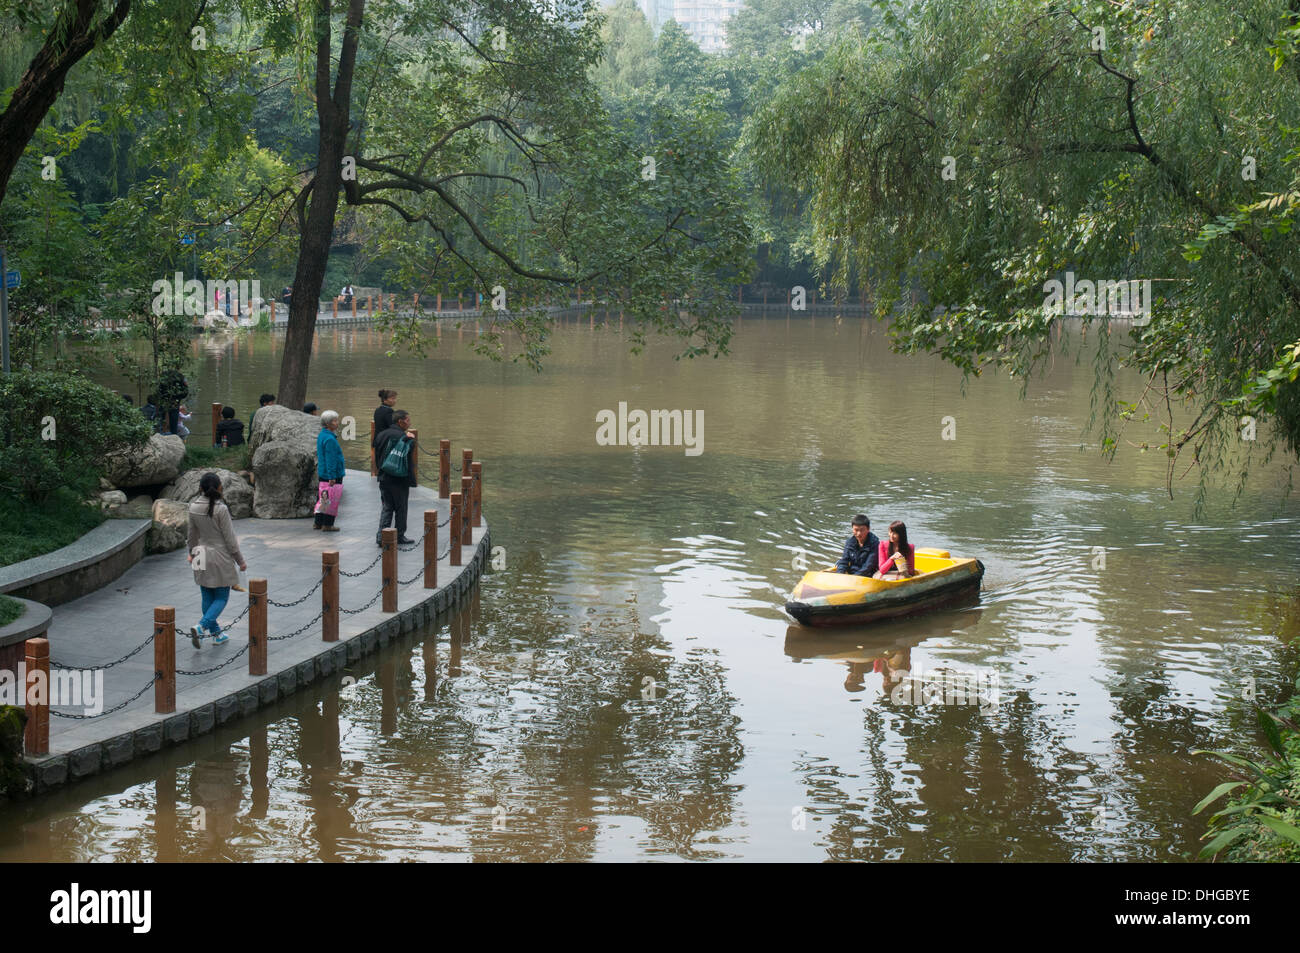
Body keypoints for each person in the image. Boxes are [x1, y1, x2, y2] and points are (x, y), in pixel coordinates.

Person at [187, 472, 247, 647]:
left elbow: (191, 536)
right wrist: (240, 561)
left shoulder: (193, 507)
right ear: (220, 487)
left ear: (200, 488)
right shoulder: (221, 509)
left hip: (200, 554)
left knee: (207, 596)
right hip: (220, 556)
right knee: (221, 597)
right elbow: (230, 540)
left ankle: (217, 635)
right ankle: (201, 627)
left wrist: (191, 553)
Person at [375, 409, 417, 545]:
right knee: (401, 507)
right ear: (400, 421)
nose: (409, 422)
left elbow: (377, 455)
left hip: (383, 476)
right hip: (399, 478)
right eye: (407, 420)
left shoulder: (381, 434)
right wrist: (411, 440)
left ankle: (381, 536)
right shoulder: (402, 436)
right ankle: (399, 535)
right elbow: (408, 454)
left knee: (387, 507)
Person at [314, 410, 345, 532]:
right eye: (334, 421)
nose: (337, 423)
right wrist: (332, 476)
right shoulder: (330, 439)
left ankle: (318, 522)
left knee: (323, 497)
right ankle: (328, 524)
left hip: (323, 472)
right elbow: (331, 459)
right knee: (332, 497)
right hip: (332, 474)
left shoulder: (322, 435)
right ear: (327, 424)